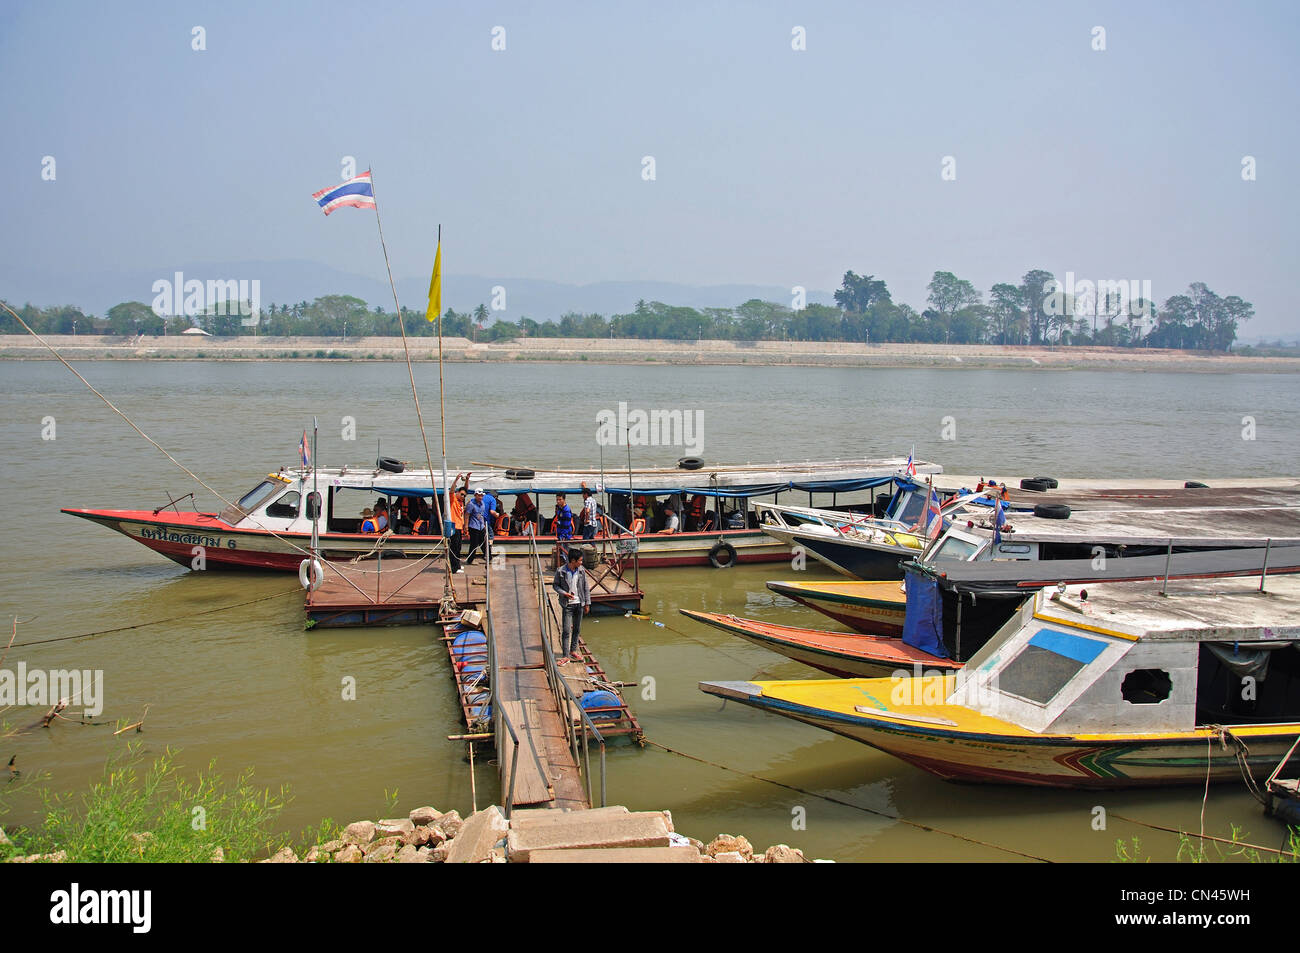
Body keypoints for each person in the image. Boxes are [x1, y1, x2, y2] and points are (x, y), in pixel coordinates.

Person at [552, 549, 590, 664]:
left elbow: (586, 588)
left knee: (577, 629)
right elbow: (555, 586)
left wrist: (587, 603)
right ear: (573, 561)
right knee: (566, 630)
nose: (581, 563)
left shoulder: (581, 571)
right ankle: (565, 655)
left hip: (579, 603)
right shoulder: (561, 571)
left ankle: (573, 651)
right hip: (568, 605)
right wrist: (564, 593)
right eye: (580, 560)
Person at [464, 488, 489, 564]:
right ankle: (470, 560)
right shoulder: (471, 504)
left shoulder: (483, 504)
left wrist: (484, 525)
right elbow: (467, 514)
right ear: (475, 495)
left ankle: (488, 557)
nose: (480, 497)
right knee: (474, 544)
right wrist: (466, 526)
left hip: (481, 526)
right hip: (473, 526)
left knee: (484, 542)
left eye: (481, 496)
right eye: (479, 496)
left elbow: (481, 515)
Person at [552, 492, 575, 565]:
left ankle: (569, 566)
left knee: (565, 552)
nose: (558, 501)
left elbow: (567, 525)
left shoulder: (566, 510)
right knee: (562, 552)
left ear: (564, 500)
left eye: (560, 499)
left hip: (564, 535)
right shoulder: (560, 509)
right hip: (560, 533)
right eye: (557, 500)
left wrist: (564, 536)